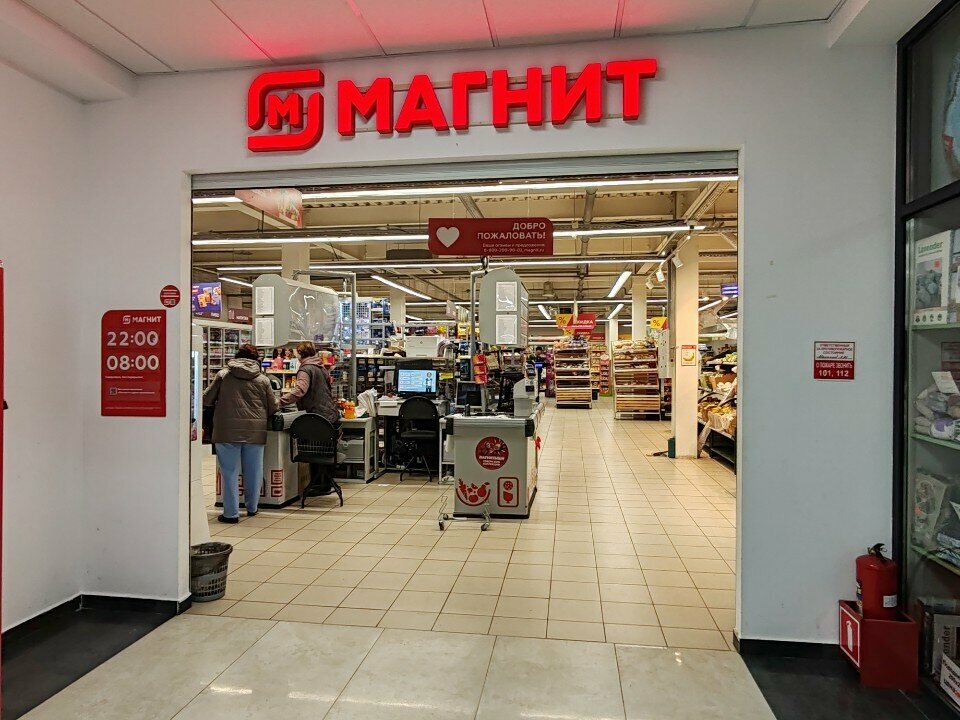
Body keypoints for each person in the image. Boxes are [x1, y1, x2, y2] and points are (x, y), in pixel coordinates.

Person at [203, 344, 278, 523]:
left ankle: (231, 513)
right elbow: (273, 406)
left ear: (237, 356)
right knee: (254, 470)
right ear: (256, 359)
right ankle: (252, 507)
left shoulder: (223, 375)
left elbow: (207, 399)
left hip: (226, 429)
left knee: (229, 472)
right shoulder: (263, 380)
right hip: (255, 430)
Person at [280, 341, 340, 496]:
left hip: (317, 415)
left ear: (300, 353)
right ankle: (325, 484)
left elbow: (300, 390)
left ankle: (318, 485)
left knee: (314, 452)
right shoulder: (321, 367)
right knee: (325, 452)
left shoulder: (305, 369)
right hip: (329, 414)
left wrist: (280, 401)